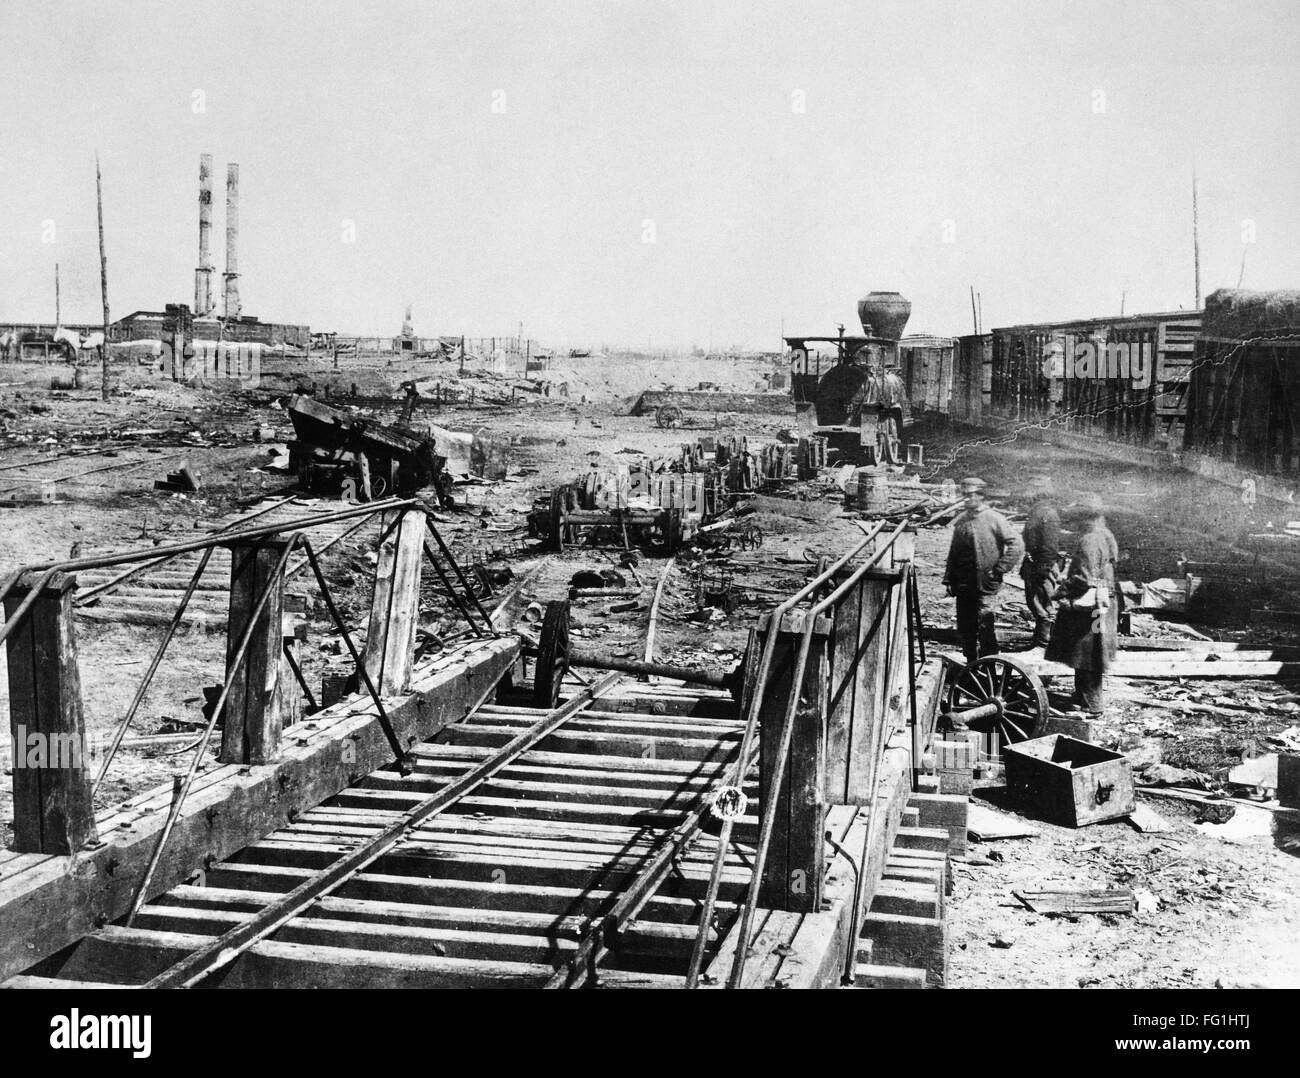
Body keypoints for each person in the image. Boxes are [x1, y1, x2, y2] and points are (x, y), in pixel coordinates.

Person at [1045, 492, 1120, 715]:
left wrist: (1060, 591)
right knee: (1088, 651)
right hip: (1103, 603)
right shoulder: (1106, 534)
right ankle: (1082, 697)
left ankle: (1091, 706)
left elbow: (1085, 578)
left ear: (1084, 517)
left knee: (1088, 652)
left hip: (1089, 606)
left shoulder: (1089, 539)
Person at [943, 477, 1024, 663]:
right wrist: (949, 580)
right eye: (963, 495)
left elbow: (1016, 544)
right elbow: (954, 553)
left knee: (985, 624)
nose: (965, 499)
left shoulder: (995, 519)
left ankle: (990, 666)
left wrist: (999, 570)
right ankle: (971, 665)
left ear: (981, 496)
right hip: (964, 584)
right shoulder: (962, 520)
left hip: (985, 583)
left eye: (969, 495)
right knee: (966, 626)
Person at [1021, 475, 1063, 651]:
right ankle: (1040, 643)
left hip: (1042, 566)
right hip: (1036, 564)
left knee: (1044, 607)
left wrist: (1043, 569)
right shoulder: (1038, 511)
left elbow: (1049, 545)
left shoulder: (1047, 513)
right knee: (1036, 604)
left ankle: (1043, 646)